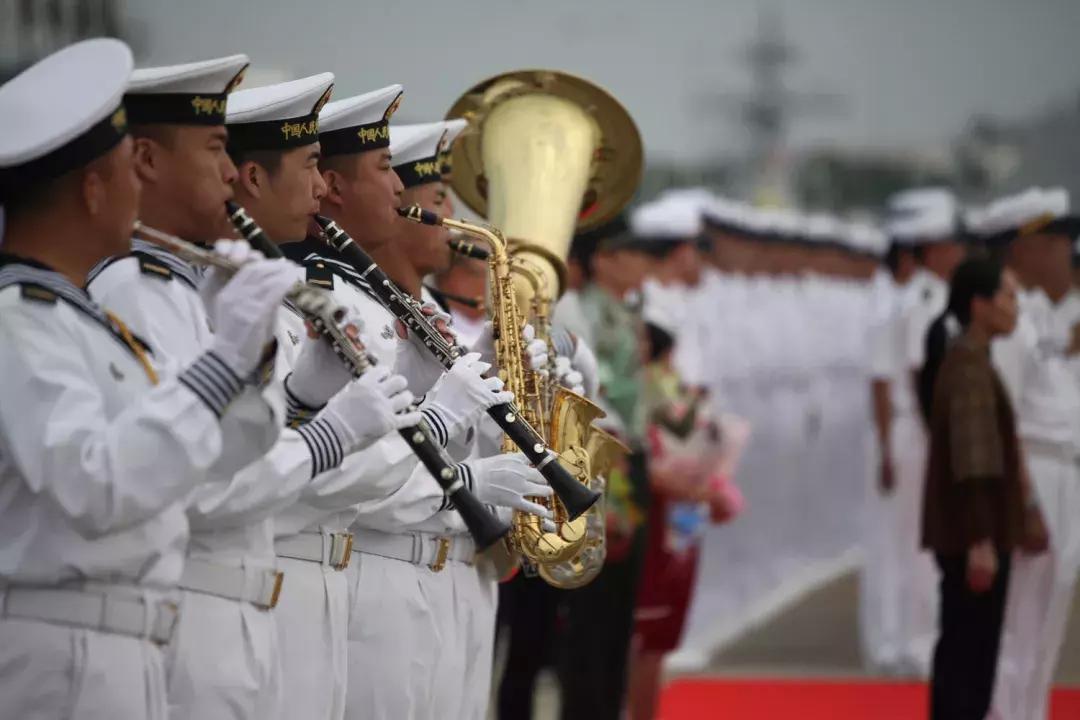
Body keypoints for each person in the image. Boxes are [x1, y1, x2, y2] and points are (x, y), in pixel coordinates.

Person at [0, 39, 296, 718]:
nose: (138, 192)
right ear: (95, 187)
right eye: (124, 173)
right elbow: (98, 483)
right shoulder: (21, 319)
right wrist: (220, 363)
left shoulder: (78, 319)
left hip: (116, 640)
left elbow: (204, 458)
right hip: (59, 649)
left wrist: (248, 364)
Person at [298, 92, 552, 720]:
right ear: (334, 187)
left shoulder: (389, 309)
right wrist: (454, 456)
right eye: (386, 171)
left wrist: (502, 392)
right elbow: (337, 471)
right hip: (378, 570)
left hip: (441, 569)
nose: (400, 193)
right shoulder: (327, 300)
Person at [973, 187, 1080, 720]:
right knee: (1018, 623)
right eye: (1056, 240)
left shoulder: (1054, 311)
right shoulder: (1012, 319)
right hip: (1033, 469)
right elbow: (1004, 418)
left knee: (1049, 621)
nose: (1067, 249)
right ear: (1022, 249)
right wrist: (1026, 501)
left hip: (1068, 469)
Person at [921, 256, 1026, 720]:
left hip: (969, 532)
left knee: (965, 654)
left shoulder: (971, 357)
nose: (1015, 307)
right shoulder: (968, 366)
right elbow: (974, 461)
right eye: (1007, 296)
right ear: (979, 305)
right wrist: (981, 540)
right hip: (973, 535)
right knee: (970, 660)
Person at [861, 189, 957, 677]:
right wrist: (892, 445)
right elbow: (904, 380)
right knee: (906, 542)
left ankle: (907, 640)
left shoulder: (928, 295)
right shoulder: (915, 300)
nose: (958, 251)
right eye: (949, 243)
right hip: (911, 429)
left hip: (915, 429)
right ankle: (902, 642)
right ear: (931, 248)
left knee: (917, 543)